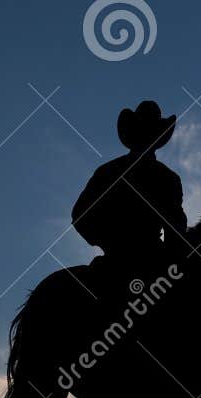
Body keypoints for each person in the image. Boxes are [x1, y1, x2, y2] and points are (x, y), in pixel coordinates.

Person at [72, 101, 188, 289]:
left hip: (152, 259)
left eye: (150, 131)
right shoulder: (109, 172)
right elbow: (81, 215)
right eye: (144, 130)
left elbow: (176, 226)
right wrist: (111, 243)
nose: (146, 137)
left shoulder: (168, 178)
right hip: (116, 259)